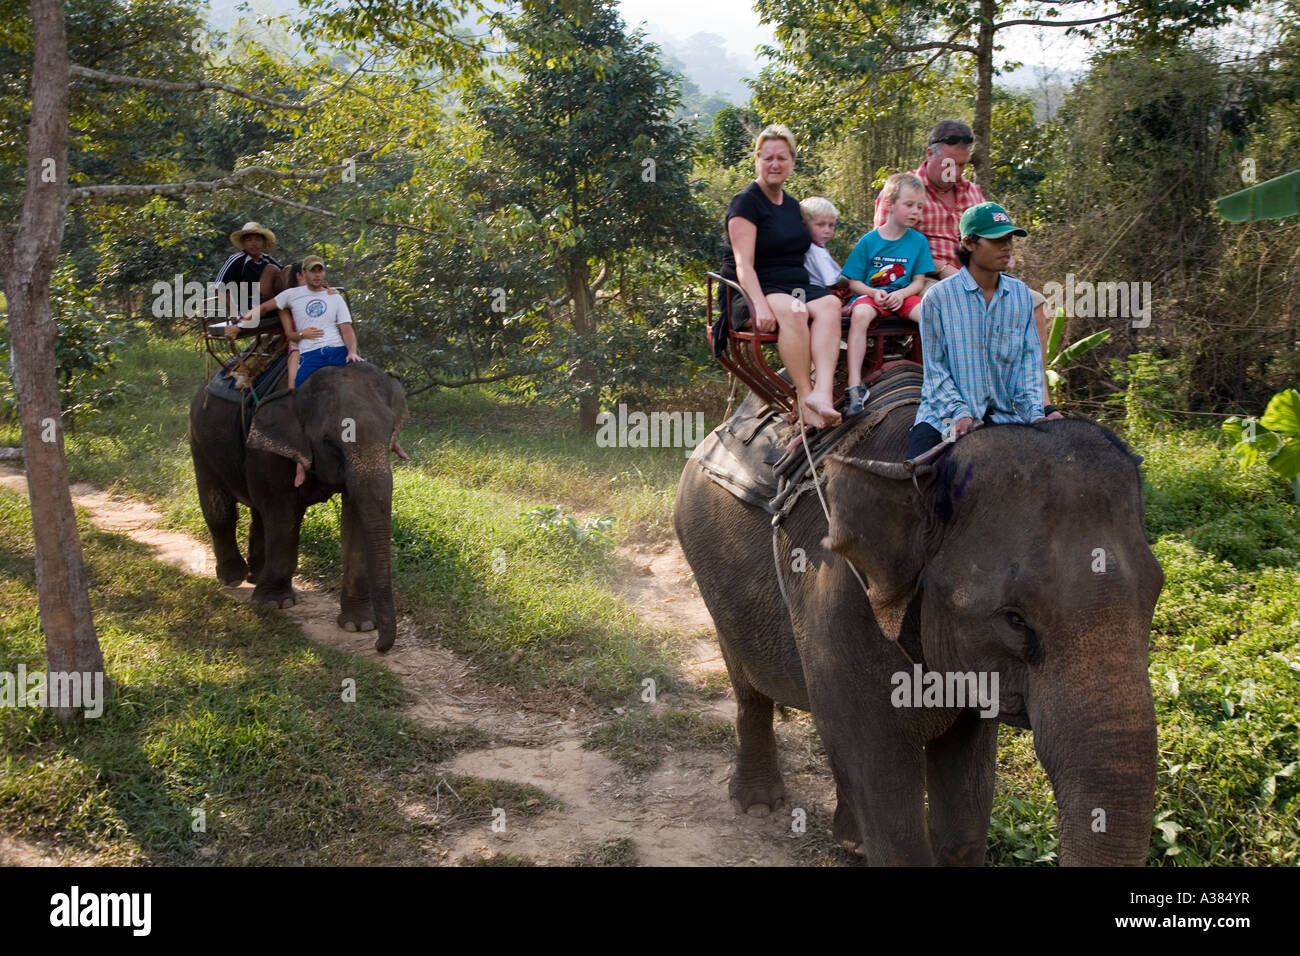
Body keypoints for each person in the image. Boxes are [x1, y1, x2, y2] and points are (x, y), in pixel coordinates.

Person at [876, 119, 1053, 402]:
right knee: (950, 302)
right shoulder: (904, 190)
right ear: (929, 154)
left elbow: (987, 234)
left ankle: (1038, 394)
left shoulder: (972, 192)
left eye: (961, 166)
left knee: (1033, 302)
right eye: (949, 164)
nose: (955, 172)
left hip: (972, 272)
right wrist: (942, 268)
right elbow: (888, 247)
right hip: (923, 277)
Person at [719, 125, 843, 429]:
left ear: (792, 161)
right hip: (756, 286)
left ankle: (822, 394)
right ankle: (804, 395)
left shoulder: (791, 206)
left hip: (795, 284)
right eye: (768, 158)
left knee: (830, 306)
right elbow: (743, 264)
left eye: (782, 158)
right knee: (795, 311)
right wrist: (758, 305)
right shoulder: (746, 203)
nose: (775, 164)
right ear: (757, 160)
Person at [906, 202, 1050, 461]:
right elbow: (935, 372)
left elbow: (1028, 367)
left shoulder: (1021, 296)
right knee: (919, 477)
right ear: (969, 243)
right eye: (996, 240)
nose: (1006, 246)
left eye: (1009, 239)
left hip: (1003, 416)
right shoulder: (938, 299)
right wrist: (959, 412)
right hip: (945, 418)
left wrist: (1036, 413)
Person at [841, 173, 935, 417]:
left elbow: (918, 283)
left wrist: (902, 294)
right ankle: (854, 385)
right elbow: (853, 282)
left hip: (902, 296)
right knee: (860, 314)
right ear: (890, 205)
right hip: (872, 296)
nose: (916, 211)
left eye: (920, 207)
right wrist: (873, 292)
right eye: (909, 205)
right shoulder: (869, 241)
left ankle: (936, 376)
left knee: (931, 315)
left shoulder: (918, 242)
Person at [216, 221, 282, 323]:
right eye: (249, 240)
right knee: (271, 269)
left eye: (258, 240)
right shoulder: (236, 260)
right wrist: (235, 312)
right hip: (246, 308)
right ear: (243, 243)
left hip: (267, 306)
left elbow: (282, 275)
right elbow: (218, 288)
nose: (254, 243)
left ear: (263, 243)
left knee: (286, 270)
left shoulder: (266, 259)